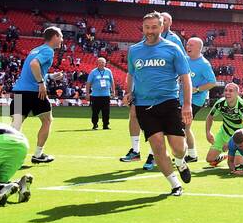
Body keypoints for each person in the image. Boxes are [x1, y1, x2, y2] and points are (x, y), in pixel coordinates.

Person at [123, 12, 193, 196]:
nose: (150, 31)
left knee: (178, 148)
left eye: (154, 27)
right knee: (157, 146)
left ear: (162, 28)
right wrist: (128, 92)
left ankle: (180, 161)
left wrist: (187, 105)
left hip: (169, 103)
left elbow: (186, 79)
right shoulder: (134, 50)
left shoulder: (173, 48)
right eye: (147, 27)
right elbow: (131, 74)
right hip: (144, 106)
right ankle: (175, 184)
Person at [9, 25, 62, 165]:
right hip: (34, 92)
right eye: (61, 36)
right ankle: (38, 154)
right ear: (55, 36)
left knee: (16, 125)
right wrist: (41, 82)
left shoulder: (35, 49)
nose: (62, 40)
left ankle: (9, 155)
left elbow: (30, 69)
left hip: (19, 91)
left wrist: (49, 76)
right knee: (47, 120)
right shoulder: (48, 51)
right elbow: (34, 65)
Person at [181, 37, 217, 162]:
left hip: (195, 101)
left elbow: (212, 82)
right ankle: (192, 155)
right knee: (185, 128)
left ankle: (181, 156)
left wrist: (197, 89)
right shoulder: (184, 59)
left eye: (191, 45)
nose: (188, 47)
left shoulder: (204, 64)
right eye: (187, 45)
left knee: (180, 126)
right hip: (181, 98)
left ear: (198, 48)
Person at [203, 82, 243, 167]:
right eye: (226, 90)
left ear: (237, 93)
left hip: (239, 137)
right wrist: (208, 132)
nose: (227, 93)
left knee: (237, 165)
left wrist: (231, 143)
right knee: (210, 159)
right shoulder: (220, 103)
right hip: (224, 134)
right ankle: (223, 157)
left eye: (231, 91)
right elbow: (210, 117)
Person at [86, 56, 115, 131]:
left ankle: (106, 125)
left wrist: (113, 91)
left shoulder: (108, 71)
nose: (101, 64)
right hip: (95, 96)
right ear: (97, 63)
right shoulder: (93, 72)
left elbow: (112, 82)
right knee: (95, 112)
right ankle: (95, 124)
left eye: (103, 62)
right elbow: (88, 83)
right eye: (100, 62)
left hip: (106, 95)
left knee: (106, 111)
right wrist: (87, 93)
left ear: (105, 63)